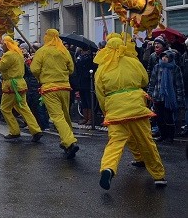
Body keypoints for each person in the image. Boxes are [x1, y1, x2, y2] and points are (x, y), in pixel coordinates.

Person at [94, 37, 166, 190]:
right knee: (147, 142)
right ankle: (158, 175)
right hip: (136, 107)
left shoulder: (102, 67)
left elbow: (100, 93)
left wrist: (105, 110)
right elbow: (145, 80)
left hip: (115, 110)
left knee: (114, 144)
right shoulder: (133, 61)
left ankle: (108, 168)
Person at [30, 29, 79, 159]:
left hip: (50, 88)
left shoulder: (42, 51)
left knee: (57, 116)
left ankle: (69, 142)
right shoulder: (64, 50)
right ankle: (67, 139)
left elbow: (34, 69)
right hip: (65, 87)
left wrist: (40, 76)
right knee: (65, 115)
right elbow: (71, 68)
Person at [0, 36, 43, 142]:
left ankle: (14, 131)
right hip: (20, 84)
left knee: (5, 108)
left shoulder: (9, 54)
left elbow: (0, 66)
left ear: (6, 44)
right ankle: (36, 130)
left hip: (11, 85)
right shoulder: (18, 53)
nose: (1, 46)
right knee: (23, 108)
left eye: (3, 44)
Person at [147, 49, 184, 143]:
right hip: (158, 96)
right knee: (158, 117)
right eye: (163, 56)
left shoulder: (175, 68)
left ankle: (170, 137)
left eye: (166, 57)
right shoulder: (157, 67)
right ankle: (163, 135)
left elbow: (179, 85)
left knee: (168, 118)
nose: (164, 58)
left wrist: (180, 99)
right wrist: (149, 94)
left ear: (171, 58)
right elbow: (152, 81)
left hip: (169, 98)